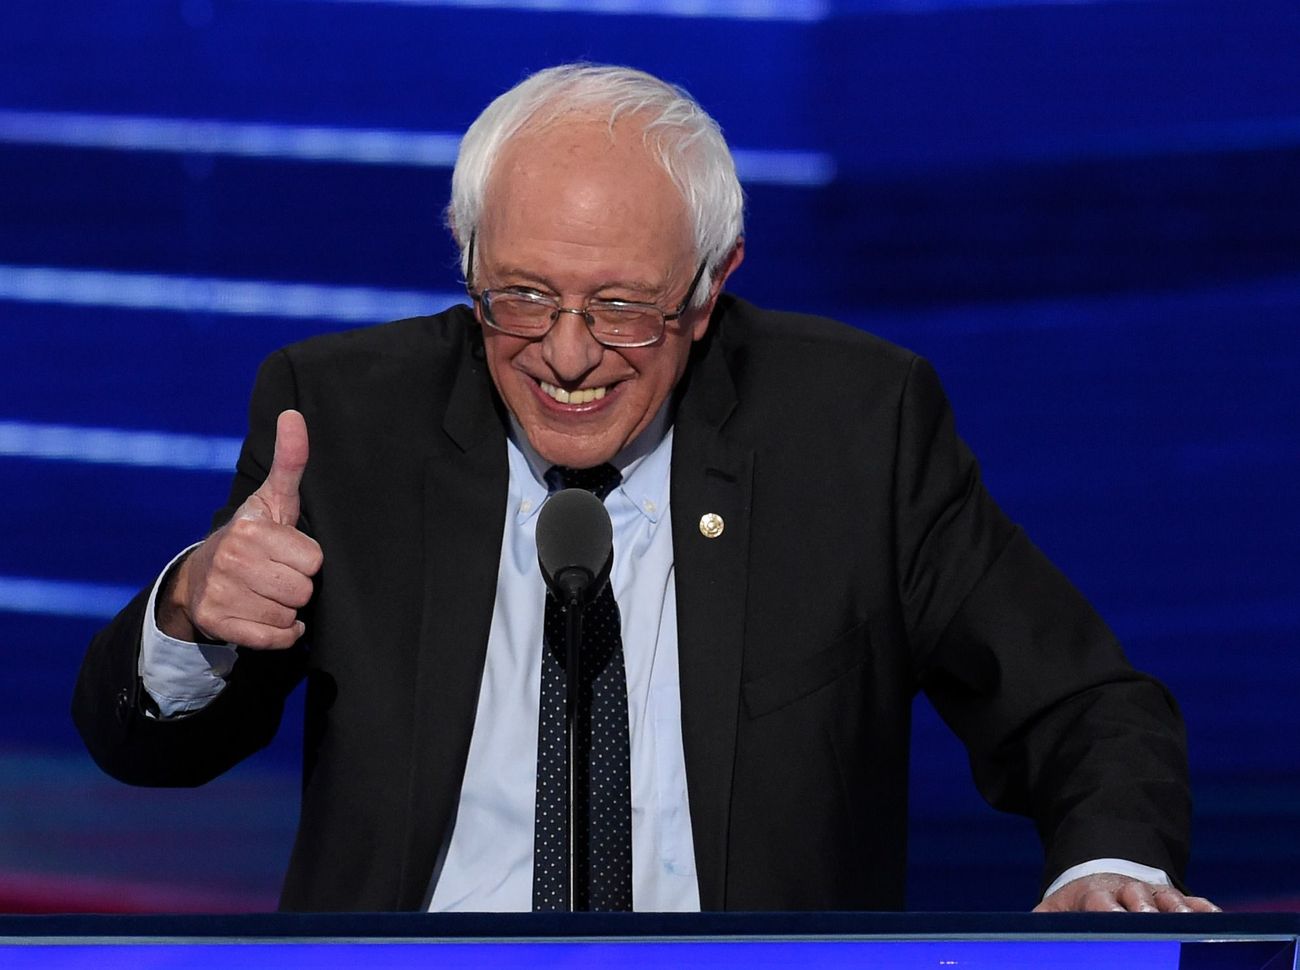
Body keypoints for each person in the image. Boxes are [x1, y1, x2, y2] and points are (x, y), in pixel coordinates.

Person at [73, 64, 1217, 915]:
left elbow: (1081, 705)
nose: (566, 356)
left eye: (621, 307)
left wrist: (1106, 870)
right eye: (519, 295)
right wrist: (193, 612)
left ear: (711, 286)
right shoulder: (345, 417)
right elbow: (148, 749)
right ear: (469, 265)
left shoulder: (854, 428)